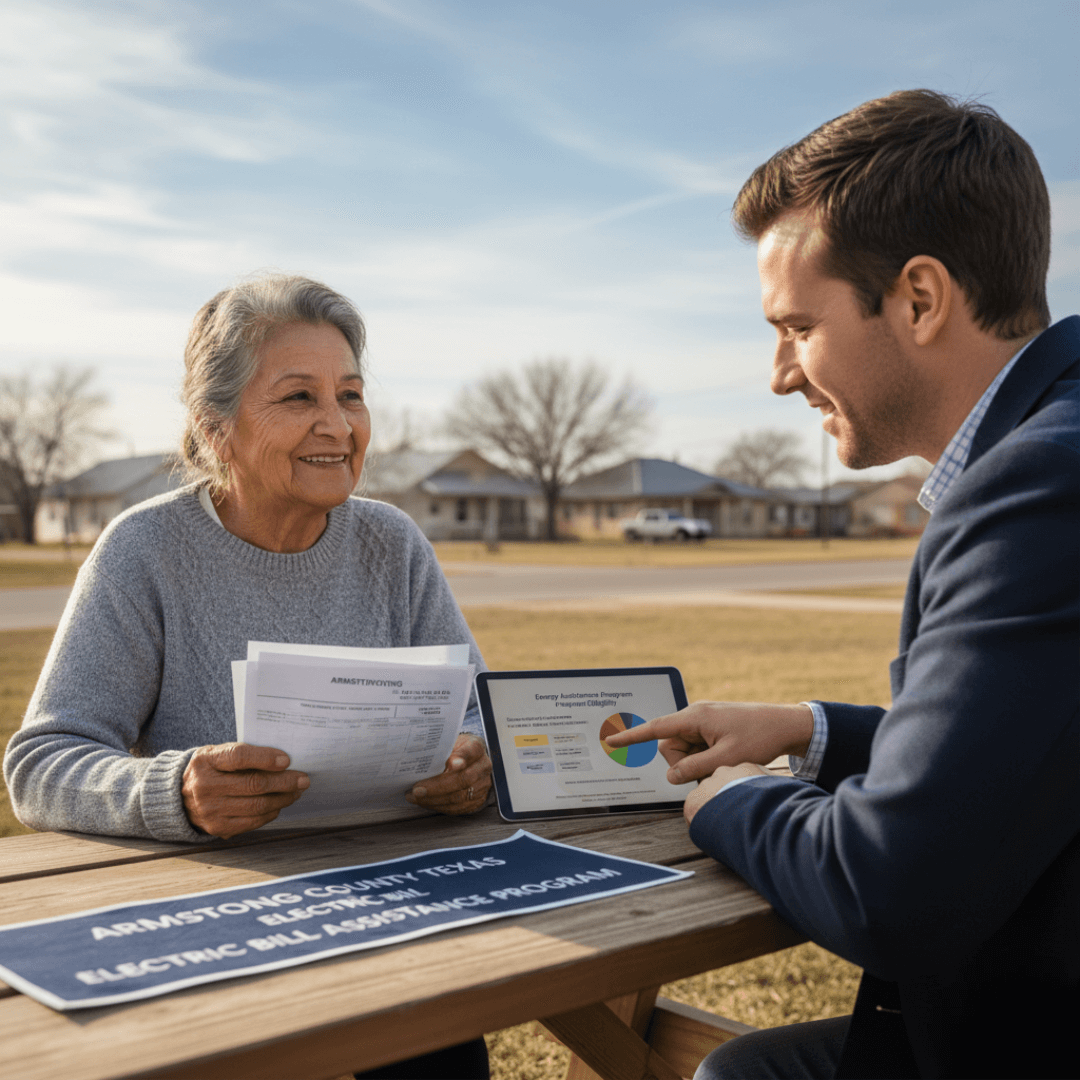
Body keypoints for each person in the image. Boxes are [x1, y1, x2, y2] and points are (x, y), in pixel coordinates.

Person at [607, 90, 1078, 1079]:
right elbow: (1028, 753)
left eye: (798, 328)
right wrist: (815, 731)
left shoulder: (1039, 485)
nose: (780, 374)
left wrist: (733, 799)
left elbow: (894, 895)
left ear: (918, 299)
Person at [4, 274, 493, 1079]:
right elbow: (40, 766)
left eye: (351, 394)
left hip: (401, 912)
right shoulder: (144, 552)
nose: (337, 425)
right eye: (298, 397)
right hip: (221, 926)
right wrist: (178, 794)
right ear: (214, 427)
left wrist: (474, 765)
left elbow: (482, 721)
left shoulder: (393, 544)